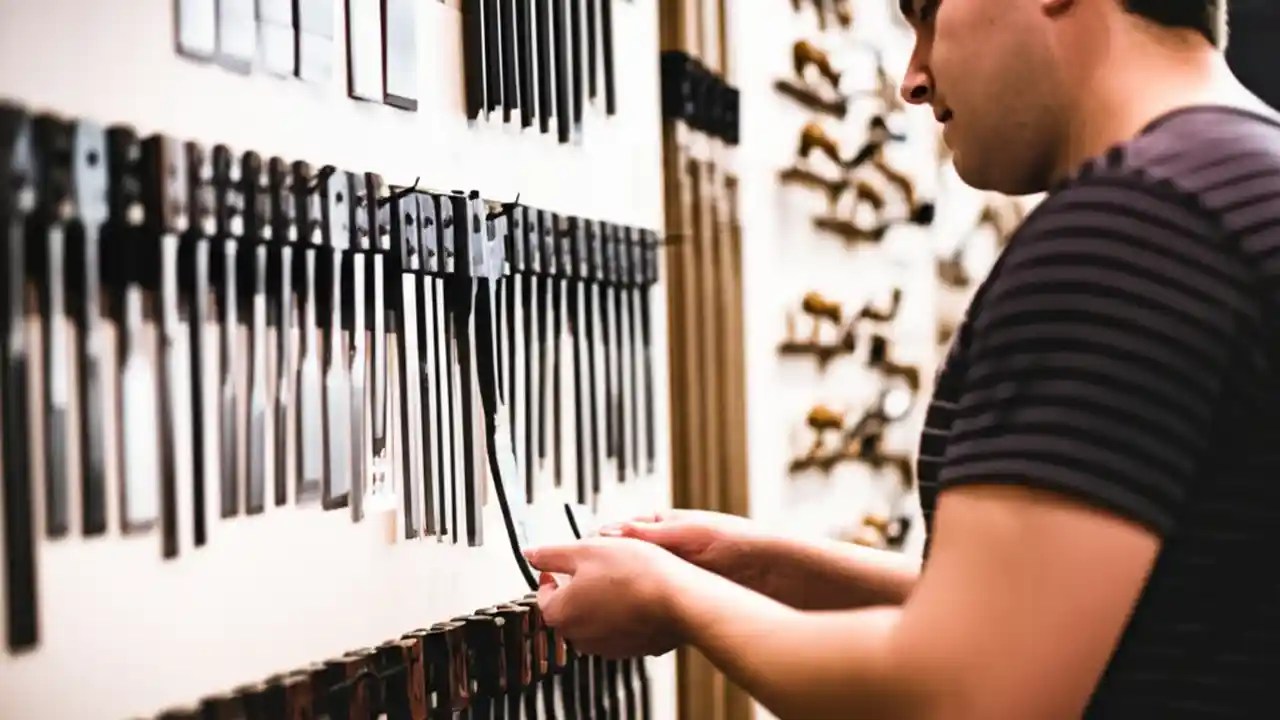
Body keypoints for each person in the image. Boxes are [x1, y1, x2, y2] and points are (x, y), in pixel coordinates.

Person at [524, 1, 1280, 717]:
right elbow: (1163, 605)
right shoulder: (1239, 179)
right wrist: (767, 570)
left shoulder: (1134, 228)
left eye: (928, 13)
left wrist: (676, 601)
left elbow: (961, 699)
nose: (913, 79)